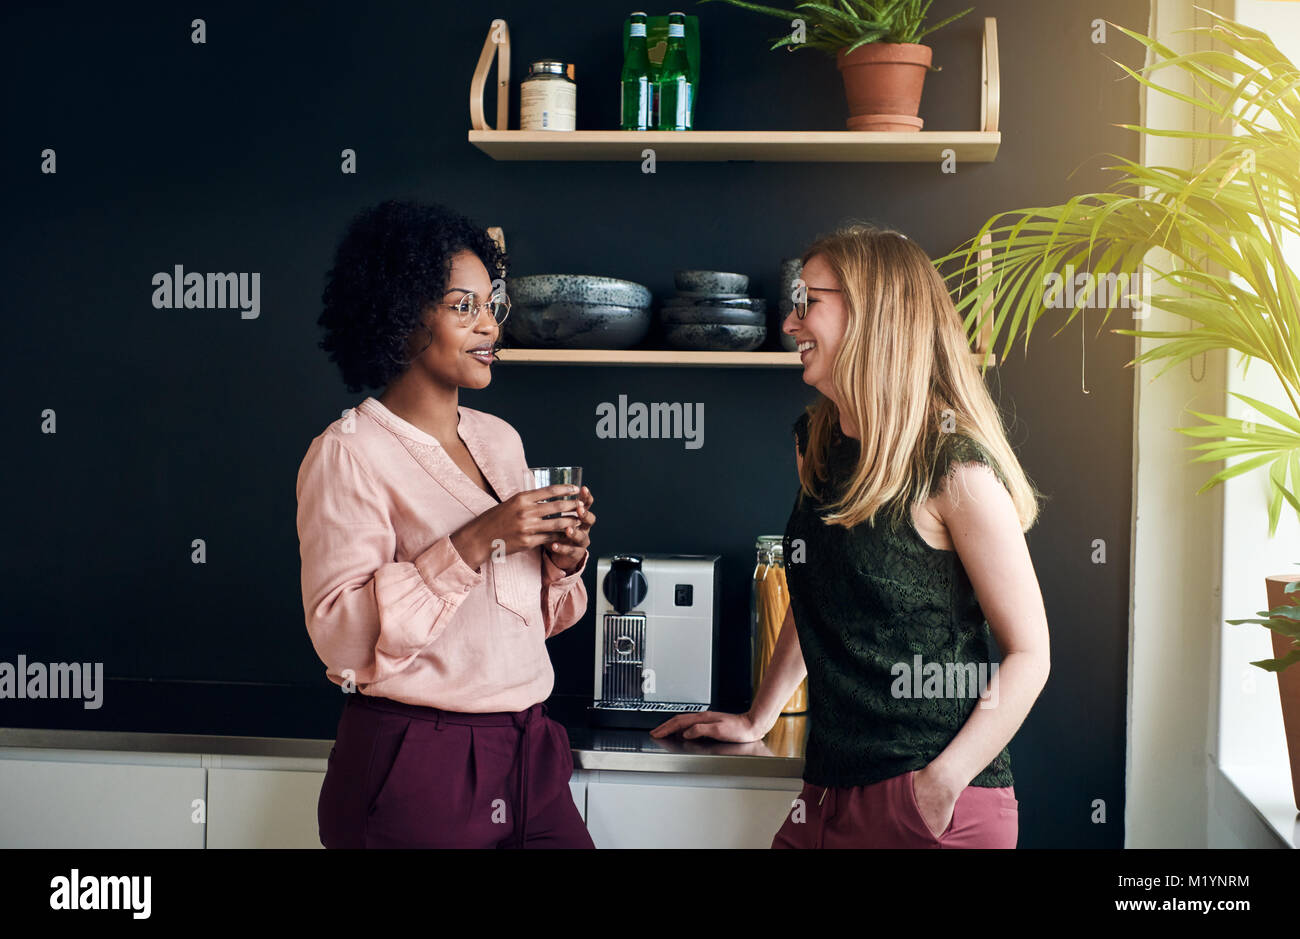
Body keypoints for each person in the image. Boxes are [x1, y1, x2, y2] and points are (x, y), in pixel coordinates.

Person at [652, 224, 1050, 849]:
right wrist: (761, 714)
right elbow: (819, 593)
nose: (790, 323)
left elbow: (1031, 654)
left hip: (929, 803)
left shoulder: (956, 468)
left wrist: (942, 784)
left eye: (810, 301)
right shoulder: (819, 441)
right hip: (828, 793)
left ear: (873, 313)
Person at [296, 200, 597, 848]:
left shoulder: (502, 441)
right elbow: (342, 644)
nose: (489, 324)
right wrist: (475, 539)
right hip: (417, 762)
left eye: (493, 305)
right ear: (402, 314)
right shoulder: (349, 451)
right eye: (464, 306)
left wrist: (562, 561)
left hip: (531, 752)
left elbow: (523, 620)